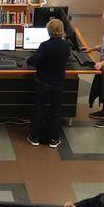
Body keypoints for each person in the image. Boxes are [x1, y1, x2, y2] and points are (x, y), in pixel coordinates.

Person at [26, 18, 71, 148]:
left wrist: (28, 60)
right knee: (56, 110)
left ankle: (34, 137)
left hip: (43, 83)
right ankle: (54, 139)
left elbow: (34, 61)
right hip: (58, 83)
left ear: (49, 30)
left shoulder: (45, 45)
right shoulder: (66, 46)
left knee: (38, 109)